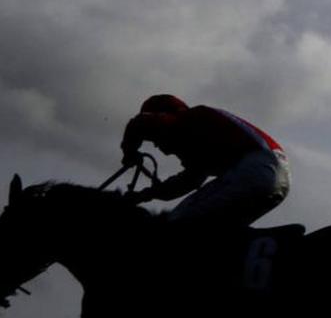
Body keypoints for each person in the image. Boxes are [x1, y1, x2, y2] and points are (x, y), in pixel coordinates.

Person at [120, 94, 290, 229]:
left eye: (154, 138)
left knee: (175, 222)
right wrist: (145, 195)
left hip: (254, 170)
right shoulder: (201, 134)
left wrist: (129, 152)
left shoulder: (188, 119)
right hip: (280, 180)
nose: (156, 145)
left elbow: (139, 123)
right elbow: (189, 181)